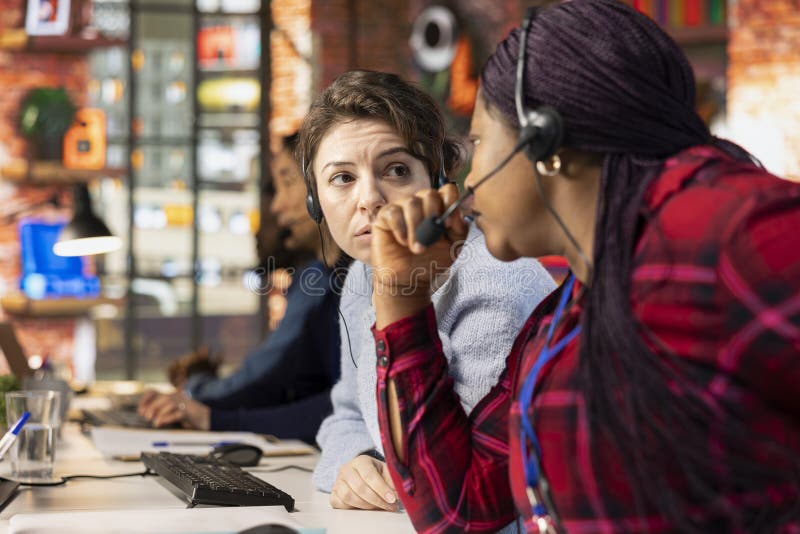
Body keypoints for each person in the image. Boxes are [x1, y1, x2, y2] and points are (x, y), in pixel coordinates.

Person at [369, 1, 800, 532]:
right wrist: (401, 301)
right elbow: (457, 511)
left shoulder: (726, 230)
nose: (466, 179)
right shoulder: (566, 317)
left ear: (542, 137)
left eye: (478, 142)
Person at [297, 70, 555, 515]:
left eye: (396, 170)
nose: (370, 198)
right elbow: (346, 416)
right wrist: (352, 461)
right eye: (342, 178)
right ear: (315, 201)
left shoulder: (494, 282)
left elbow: (473, 489)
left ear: (437, 181)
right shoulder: (363, 274)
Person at [137, 134, 346, 443]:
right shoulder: (333, 281)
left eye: (287, 183)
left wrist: (212, 414)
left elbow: (340, 410)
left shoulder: (338, 283)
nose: (275, 207)